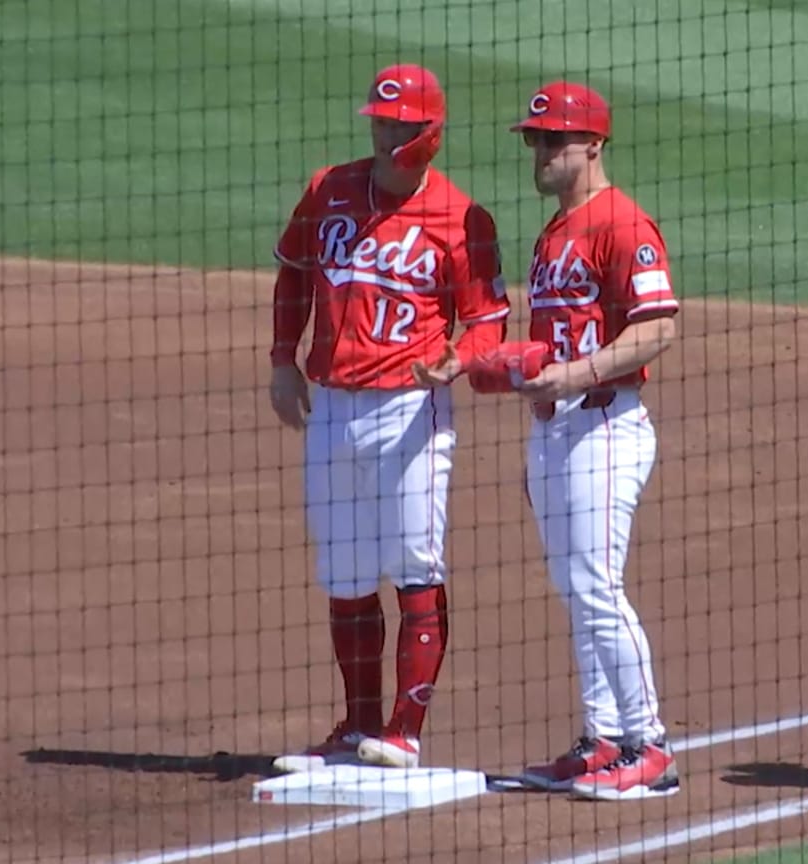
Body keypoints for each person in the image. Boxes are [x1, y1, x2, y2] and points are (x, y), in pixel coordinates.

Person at [266, 64, 511, 772]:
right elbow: (292, 270)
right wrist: (283, 358)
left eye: (398, 124)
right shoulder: (329, 188)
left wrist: (460, 359)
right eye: (378, 120)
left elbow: (489, 318)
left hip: (410, 409)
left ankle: (405, 729)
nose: (383, 133)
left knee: (414, 561)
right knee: (342, 569)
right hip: (332, 407)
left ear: (427, 134)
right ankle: (356, 724)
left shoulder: (463, 219)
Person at [490, 81, 680, 800]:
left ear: (594, 144)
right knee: (577, 590)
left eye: (551, 140)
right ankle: (603, 739)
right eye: (533, 139)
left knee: (597, 588)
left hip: (604, 423)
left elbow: (658, 326)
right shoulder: (553, 232)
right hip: (557, 433)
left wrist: (574, 374)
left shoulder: (622, 223)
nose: (538, 152)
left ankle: (650, 745)